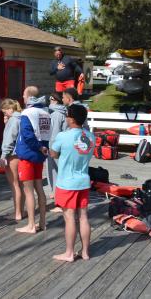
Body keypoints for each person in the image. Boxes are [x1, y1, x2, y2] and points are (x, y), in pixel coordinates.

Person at [50, 104, 94, 262]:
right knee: (83, 217)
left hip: (67, 182)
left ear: (72, 119)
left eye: (67, 115)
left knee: (69, 218)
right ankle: (85, 252)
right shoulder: (90, 136)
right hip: (83, 180)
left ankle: (69, 253)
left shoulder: (63, 136)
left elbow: (54, 153)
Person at [15, 86, 51, 234]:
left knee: (28, 191)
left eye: (23, 95)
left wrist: (37, 146)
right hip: (40, 155)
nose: (22, 97)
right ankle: (42, 222)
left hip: (28, 154)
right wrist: (42, 148)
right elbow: (47, 134)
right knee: (39, 189)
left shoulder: (27, 113)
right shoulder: (45, 112)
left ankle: (31, 225)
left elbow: (27, 136)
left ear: (28, 97)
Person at [0, 98, 25, 221]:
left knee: (14, 185)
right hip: (21, 154)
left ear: (10, 109)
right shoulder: (22, 117)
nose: (4, 115)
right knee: (20, 185)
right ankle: (21, 210)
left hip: (13, 155)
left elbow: (9, 140)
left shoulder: (13, 120)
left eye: (5, 112)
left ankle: (17, 213)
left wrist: (3, 156)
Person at [47, 91, 68, 210]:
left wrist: (52, 148)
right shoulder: (64, 112)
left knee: (54, 171)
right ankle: (57, 192)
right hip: (64, 145)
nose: (49, 101)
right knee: (60, 170)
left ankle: (56, 193)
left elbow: (54, 134)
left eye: (51, 99)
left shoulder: (56, 114)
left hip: (55, 146)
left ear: (55, 101)